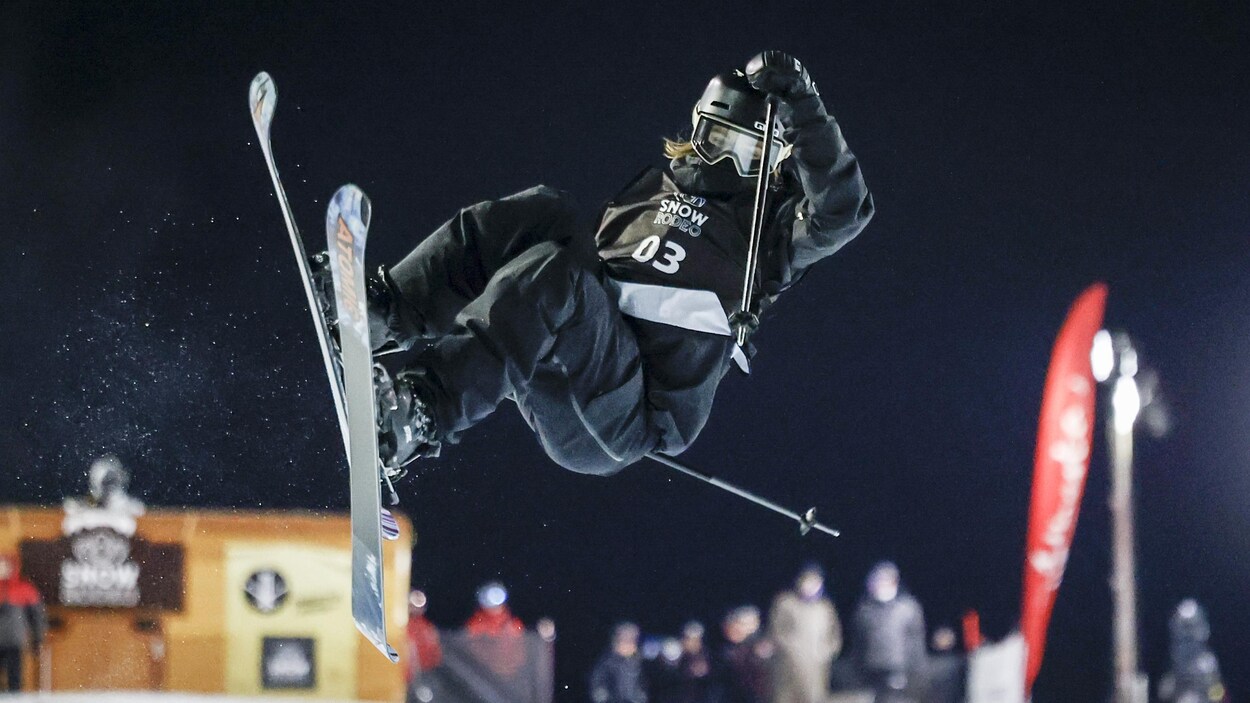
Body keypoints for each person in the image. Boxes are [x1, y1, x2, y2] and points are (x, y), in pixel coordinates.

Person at [312, 50, 874, 480]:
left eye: (747, 153)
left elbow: (843, 212)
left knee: (560, 278)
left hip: (625, 414)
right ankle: (390, 313)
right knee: (544, 210)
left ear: (774, 164)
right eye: (715, 139)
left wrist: (804, 104)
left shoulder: (767, 236)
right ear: (695, 129)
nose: (723, 160)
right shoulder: (649, 193)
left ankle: (425, 410)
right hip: (565, 356)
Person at [849, 562, 927, 702]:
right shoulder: (864, 610)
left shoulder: (908, 608)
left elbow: (916, 641)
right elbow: (858, 643)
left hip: (899, 668)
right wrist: (857, 670)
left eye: (885, 580)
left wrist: (915, 670)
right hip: (871, 669)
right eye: (877, 580)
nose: (880, 584)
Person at [767, 564, 842, 703]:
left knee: (814, 697)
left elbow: (834, 633)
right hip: (789, 669)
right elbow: (776, 631)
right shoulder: (785, 603)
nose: (811, 586)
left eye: (815, 582)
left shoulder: (825, 607)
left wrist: (828, 651)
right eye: (807, 581)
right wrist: (792, 650)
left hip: (817, 668)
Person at [1157, 599, 1227, 703]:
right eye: (1185, 627)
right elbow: (1164, 692)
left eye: (1191, 627)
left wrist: (1214, 695)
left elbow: (1217, 691)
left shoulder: (1207, 661)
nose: (1188, 635)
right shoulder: (1174, 660)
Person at [0, 554, 45, 693]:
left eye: (4, 566)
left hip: (15, 642)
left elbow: (37, 616)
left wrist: (38, 639)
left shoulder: (25, 589)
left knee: (15, 679)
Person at [717, 606, 772, 703]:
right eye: (740, 623)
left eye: (745, 624)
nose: (739, 628)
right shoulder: (730, 649)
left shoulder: (760, 643)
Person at [590, 622, 648, 703]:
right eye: (625, 637)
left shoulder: (643, 662)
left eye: (632, 638)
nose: (628, 642)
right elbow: (598, 682)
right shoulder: (608, 662)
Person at [404, 590, 442, 703]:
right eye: (412, 605)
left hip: (422, 674)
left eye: (418, 606)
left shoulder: (427, 627)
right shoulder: (400, 624)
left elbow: (435, 653)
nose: (415, 609)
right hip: (403, 676)